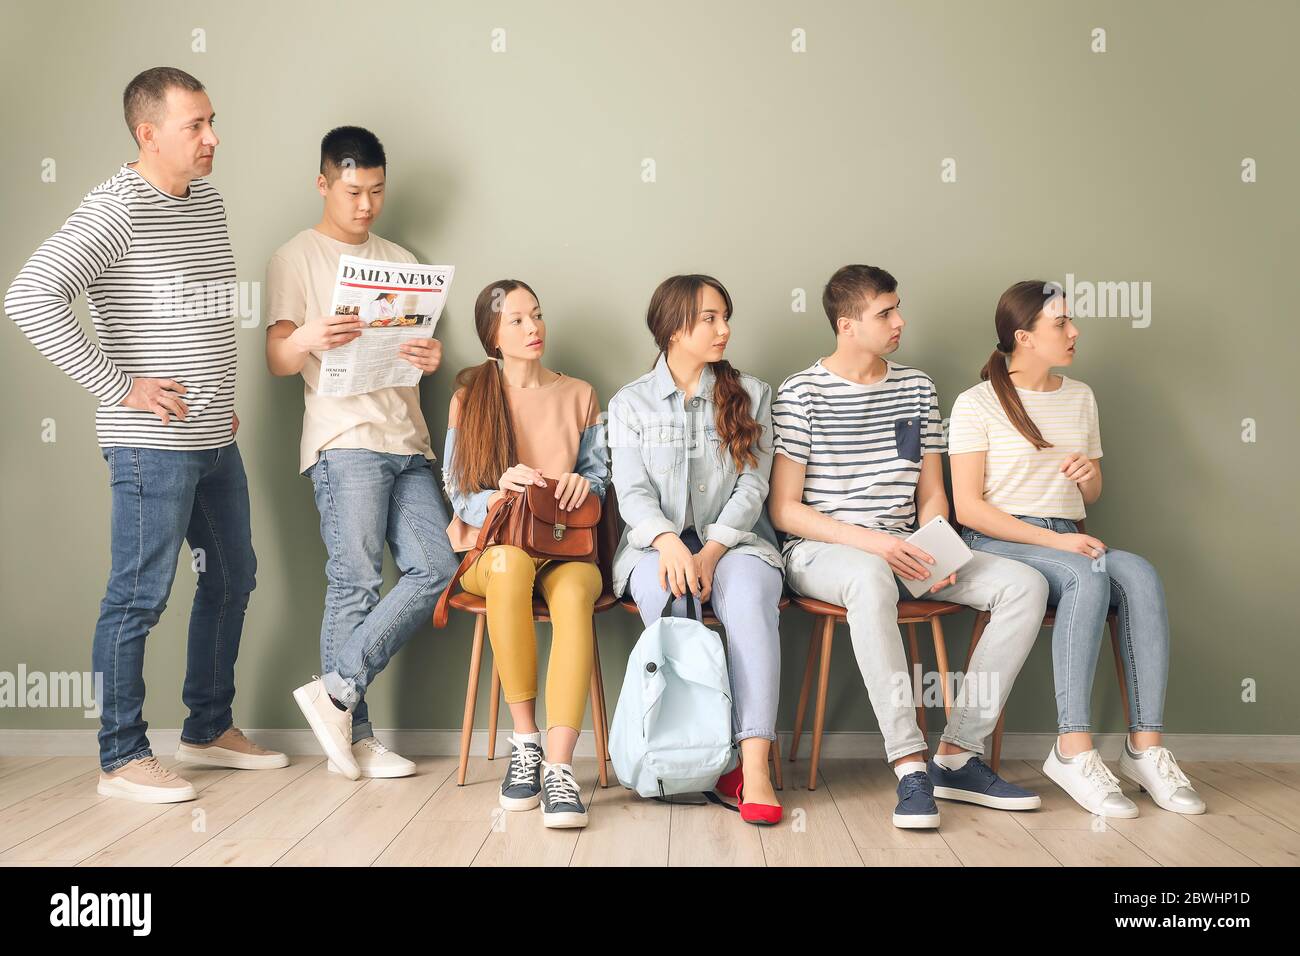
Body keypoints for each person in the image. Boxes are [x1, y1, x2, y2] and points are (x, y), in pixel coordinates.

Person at [4, 66, 285, 803]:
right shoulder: (115, 209)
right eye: (196, 125)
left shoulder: (208, 200)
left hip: (212, 438)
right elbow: (29, 295)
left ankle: (207, 728)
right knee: (138, 595)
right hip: (148, 444)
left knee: (233, 575)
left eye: (212, 120)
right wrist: (121, 386)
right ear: (148, 133)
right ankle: (122, 756)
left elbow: (204, 310)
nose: (213, 137)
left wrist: (220, 398)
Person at [768, 264, 1049, 829]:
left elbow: (931, 495)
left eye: (898, 308)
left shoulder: (917, 387)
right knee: (870, 578)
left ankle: (957, 755)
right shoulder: (801, 393)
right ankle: (909, 766)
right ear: (847, 325)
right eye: (885, 313)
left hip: (908, 549)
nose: (900, 322)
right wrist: (876, 545)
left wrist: (936, 548)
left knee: (1025, 584)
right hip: (824, 552)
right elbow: (785, 510)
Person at [948, 279, 1204, 817]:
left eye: (1071, 321)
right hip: (999, 539)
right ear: (1024, 337)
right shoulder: (976, 404)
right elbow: (967, 508)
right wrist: (1057, 541)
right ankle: (1073, 747)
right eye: (1061, 323)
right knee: (1085, 574)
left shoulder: (1080, 396)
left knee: (1140, 575)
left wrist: (1088, 478)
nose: (1074, 331)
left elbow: (1091, 492)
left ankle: (1146, 749)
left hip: (1065, 533)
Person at [266, 126, 458, 780]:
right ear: (324, 183)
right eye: (353, 191)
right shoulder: (295, 257)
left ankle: (337, 693)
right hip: (344, 442)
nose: (366, 205)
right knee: (355, 581)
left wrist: (429, 358)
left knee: (436, 566)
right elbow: (276, 358)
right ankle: (358, 737)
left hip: (408, 441)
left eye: (376, 191)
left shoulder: (401, 259)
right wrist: (310, 336)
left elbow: (408, 360)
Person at [608, 274, 784, 825]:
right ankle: (686, 751)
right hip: (649, 546)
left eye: (725, 316)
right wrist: (666, 543)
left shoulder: (752, 393)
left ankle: (753, 767)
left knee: (752, 601)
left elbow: (753, 486)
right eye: (709, 317)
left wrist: (708, 551)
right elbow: (631, 493)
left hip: (735, 543)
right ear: (672, 326)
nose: (723, 329)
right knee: (671, 602)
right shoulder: (629, 403)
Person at [442, 279, 608, 828]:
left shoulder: (580, 393)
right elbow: (458, 491)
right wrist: (501, 491)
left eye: (536, 315)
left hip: (565, 546)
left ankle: (560, 771)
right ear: (493, 334)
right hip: (495, 549)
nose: (533, 328)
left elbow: (602, 479)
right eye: (516, 320)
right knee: (512, 564)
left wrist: (587, 485)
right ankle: (526, 744)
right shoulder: (470, 395)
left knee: (575, 597)